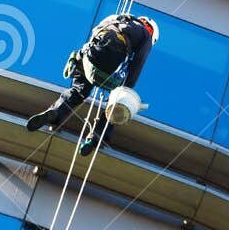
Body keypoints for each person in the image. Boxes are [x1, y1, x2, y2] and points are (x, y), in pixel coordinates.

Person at [26, 12, 158, 155]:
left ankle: (57, 111)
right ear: (151, 30)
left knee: (78, 90)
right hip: (114, 53)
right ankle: (96, 136)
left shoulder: (117, 18)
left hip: (89, 55)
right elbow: (138, 62)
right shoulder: (145, 34)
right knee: (118, 105)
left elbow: (96, 32)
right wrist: (127, 89)